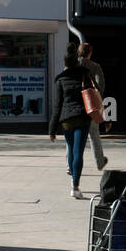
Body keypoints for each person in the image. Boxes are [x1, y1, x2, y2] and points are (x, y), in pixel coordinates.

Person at [48, 50, 94, 199]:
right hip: (82, 117)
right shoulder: (85, 74)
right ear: (77, 62)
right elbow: (96, 95)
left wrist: (52, 129)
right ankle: (75, 186)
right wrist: (105, 119)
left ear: (65, 64)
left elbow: (57, 106)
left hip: (66, 119)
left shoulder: (61, 80)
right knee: (78, 151)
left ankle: (73, 181)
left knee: (70, 148)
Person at [77, 41, 108, 172]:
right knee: (94, 134)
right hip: (90, 105)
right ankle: (100, 162)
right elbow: (101, 85)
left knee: (74, 136)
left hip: (75, 106)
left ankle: (70, 164)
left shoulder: (71, 66)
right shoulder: (95, 66)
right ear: (90, 53)